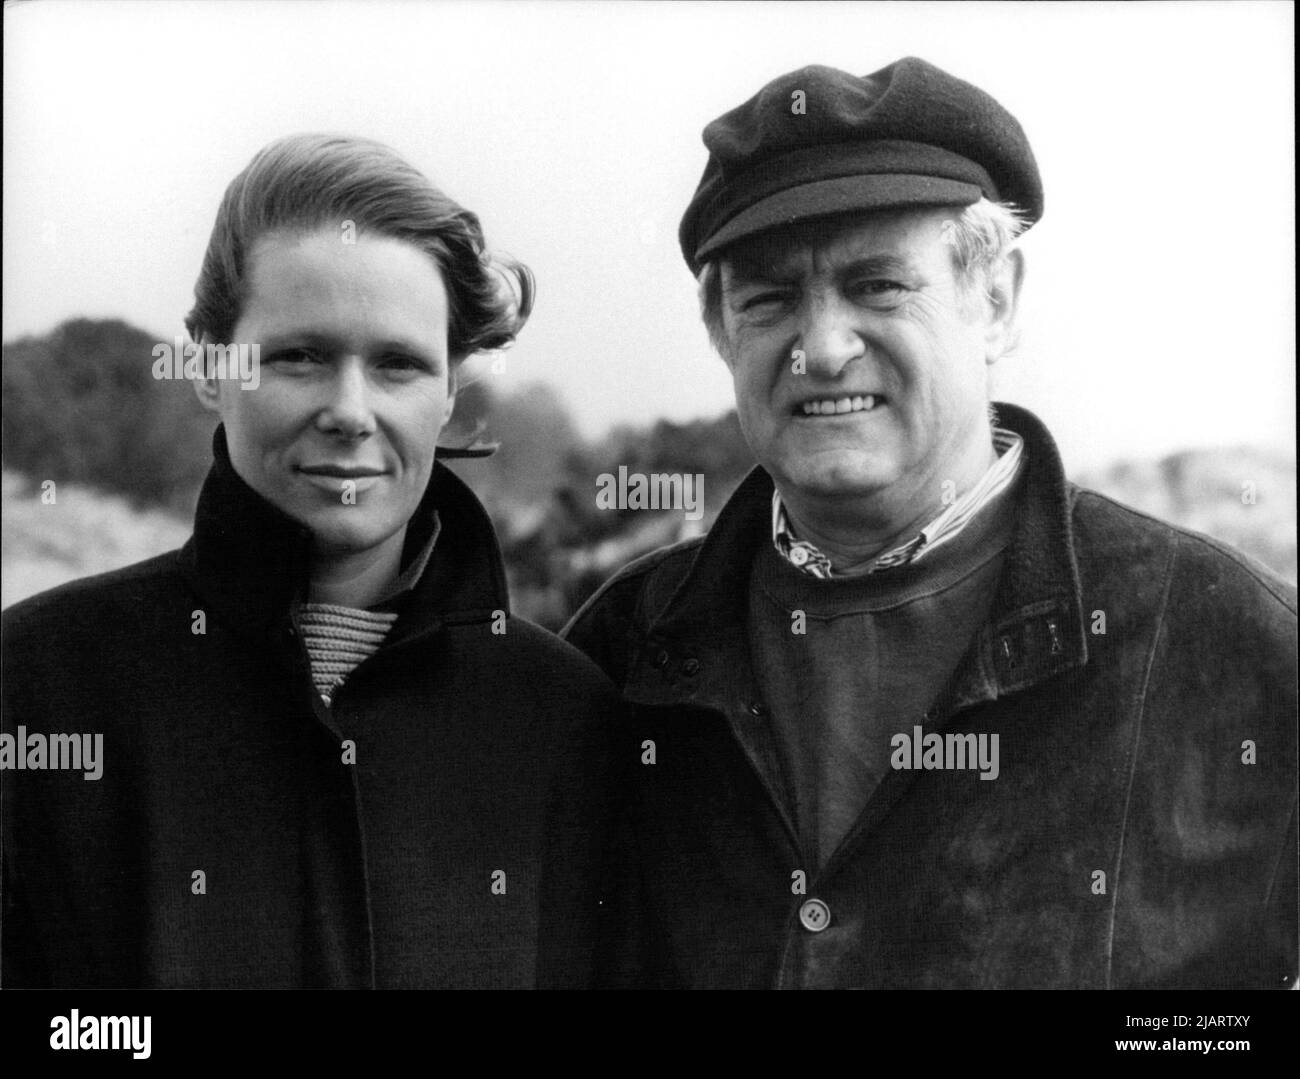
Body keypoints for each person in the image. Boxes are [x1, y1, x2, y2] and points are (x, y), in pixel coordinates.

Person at [563, 57, 1298, 989]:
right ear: (721, 329)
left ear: (993, 300)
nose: (822, 347)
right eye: (769, 299)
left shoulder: (1234, 645)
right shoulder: (621, 656)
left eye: (879, 286)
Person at [2, 133, 618, 989]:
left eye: (399, 364)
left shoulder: (561, 715)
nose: (351, 411)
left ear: (448, 393)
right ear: (211, 363)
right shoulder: (36, 681)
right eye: (300, 356)